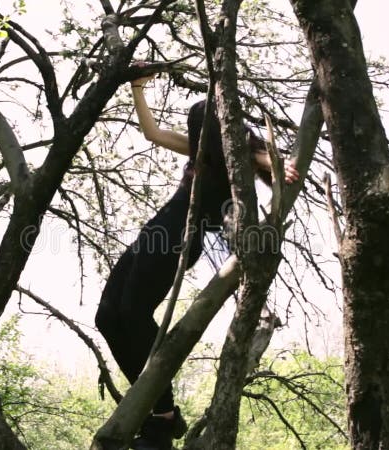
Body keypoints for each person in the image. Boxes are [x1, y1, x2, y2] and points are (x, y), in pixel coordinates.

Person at [94, 72, 299, 450]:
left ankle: (162, 413)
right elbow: (153, 133)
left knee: (133, 314)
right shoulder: (200, 149)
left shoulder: (244, 155)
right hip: (158, 228)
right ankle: (157, 410)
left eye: (204, 124)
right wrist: (137, 87)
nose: (197, 129)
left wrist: (281, 163)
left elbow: (278, 166)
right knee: (106, 316)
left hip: (179, 237)